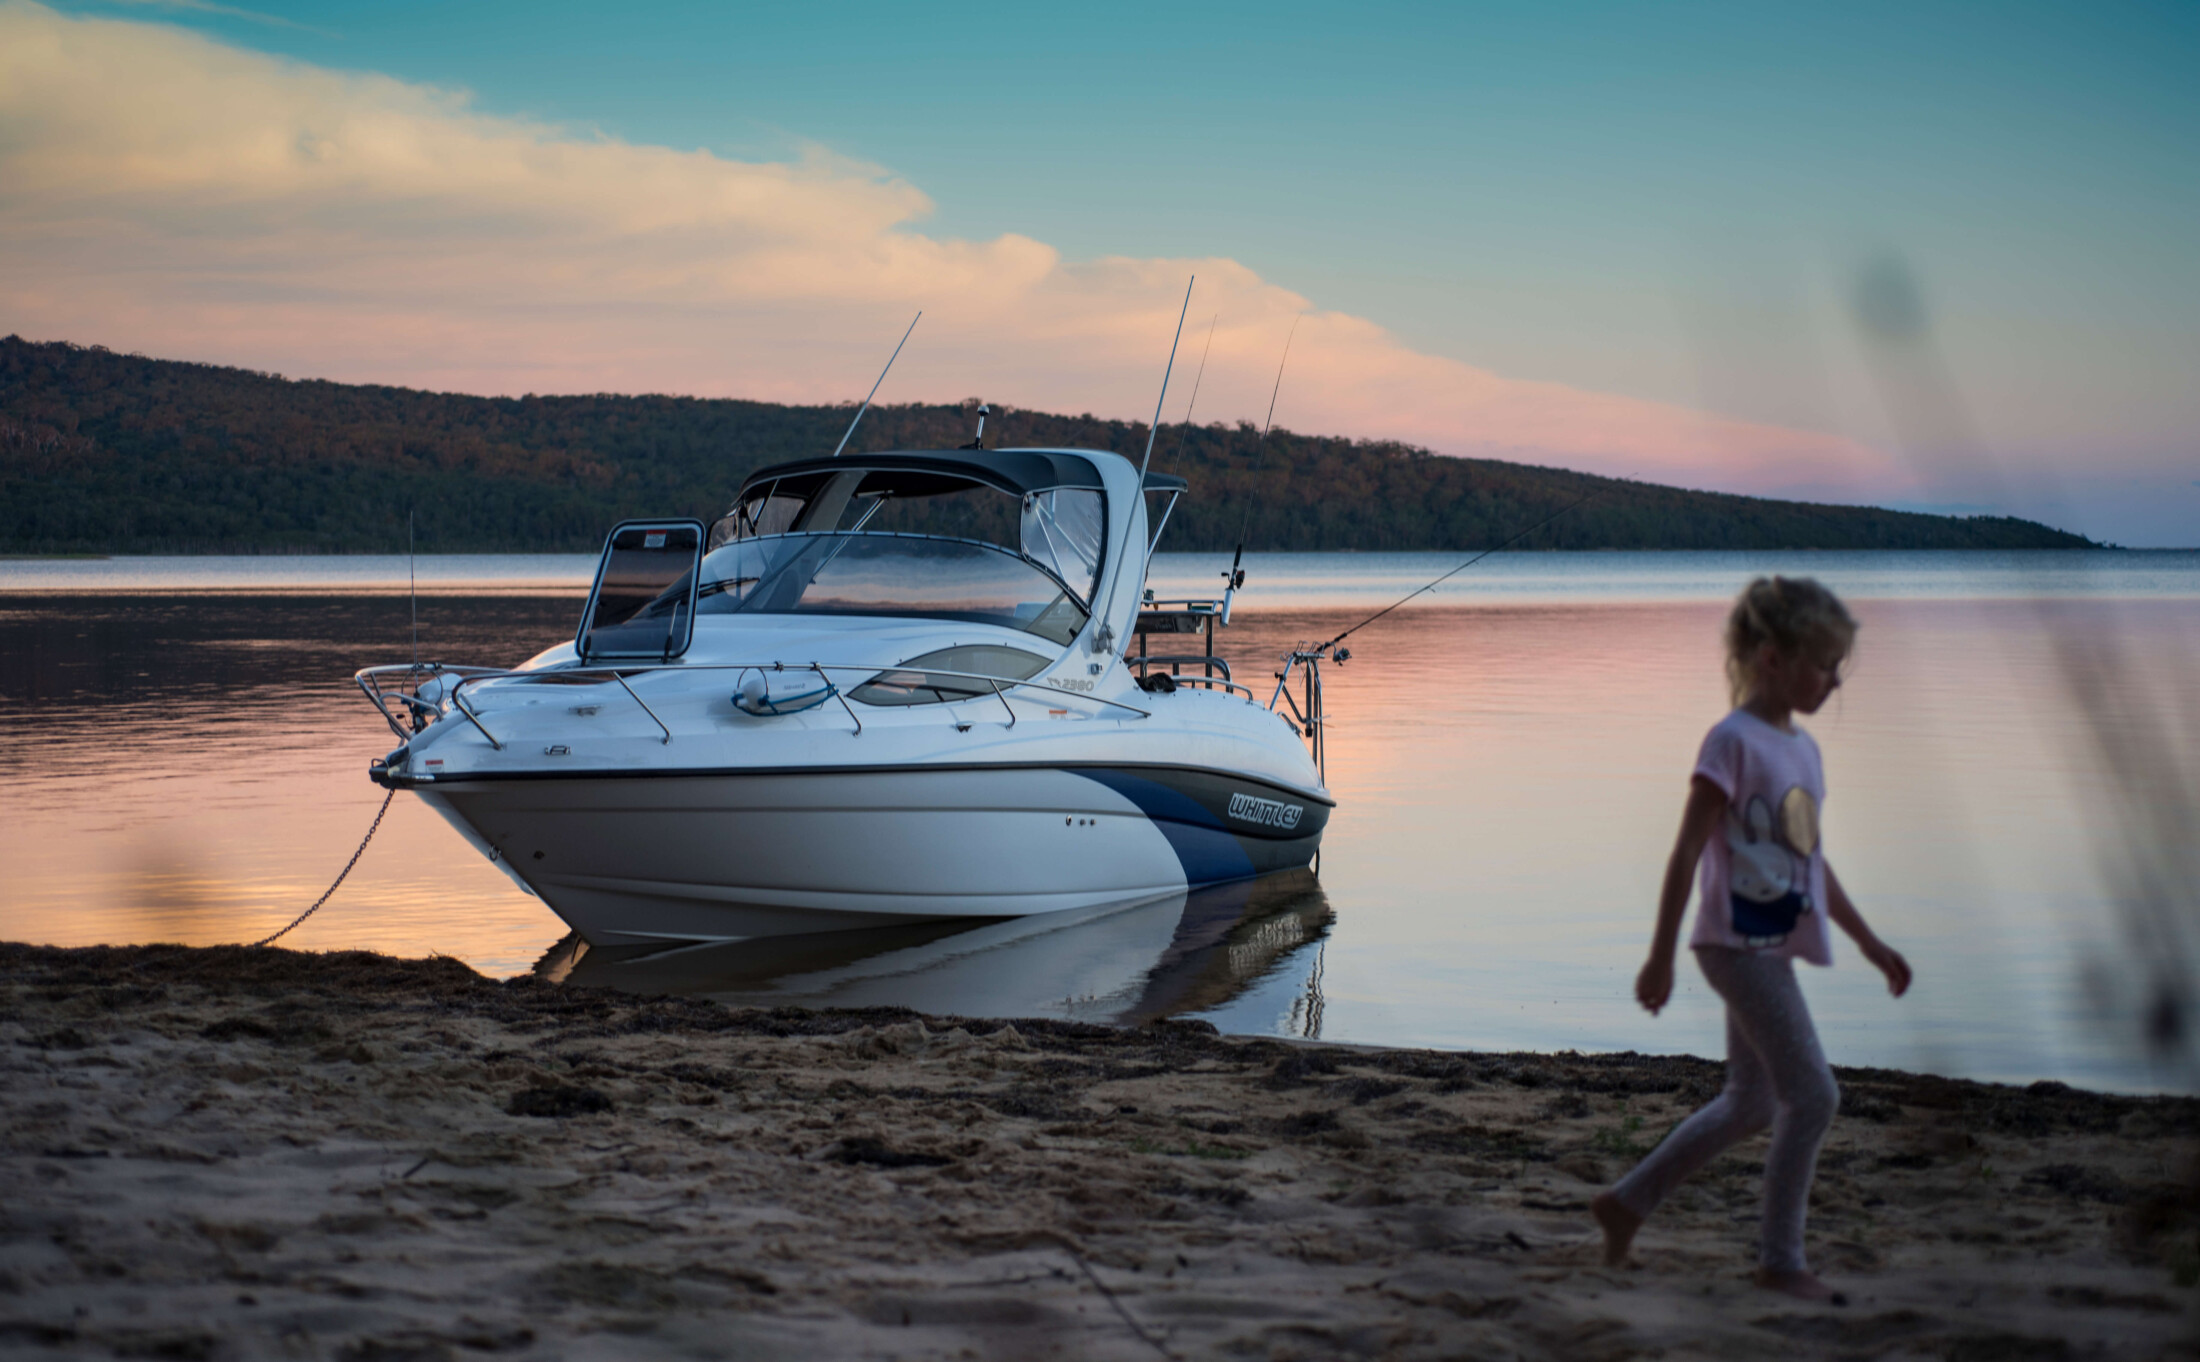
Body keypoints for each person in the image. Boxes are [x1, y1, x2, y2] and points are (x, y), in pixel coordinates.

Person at [1591, 576, 1912, 1304]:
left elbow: (1812, 864)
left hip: (1769, 945)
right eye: (1823, 664)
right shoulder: (1731, 742)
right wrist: (1661, 953)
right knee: (1815, 1097)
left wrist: (1868, 941)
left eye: (1839, 667)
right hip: (1732, 945)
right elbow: (1685, 852)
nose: (1834, 681)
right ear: (1771, 658)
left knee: (1752, 1102)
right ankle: (1780, 1261)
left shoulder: (1805, 753)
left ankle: (1626, 1202)